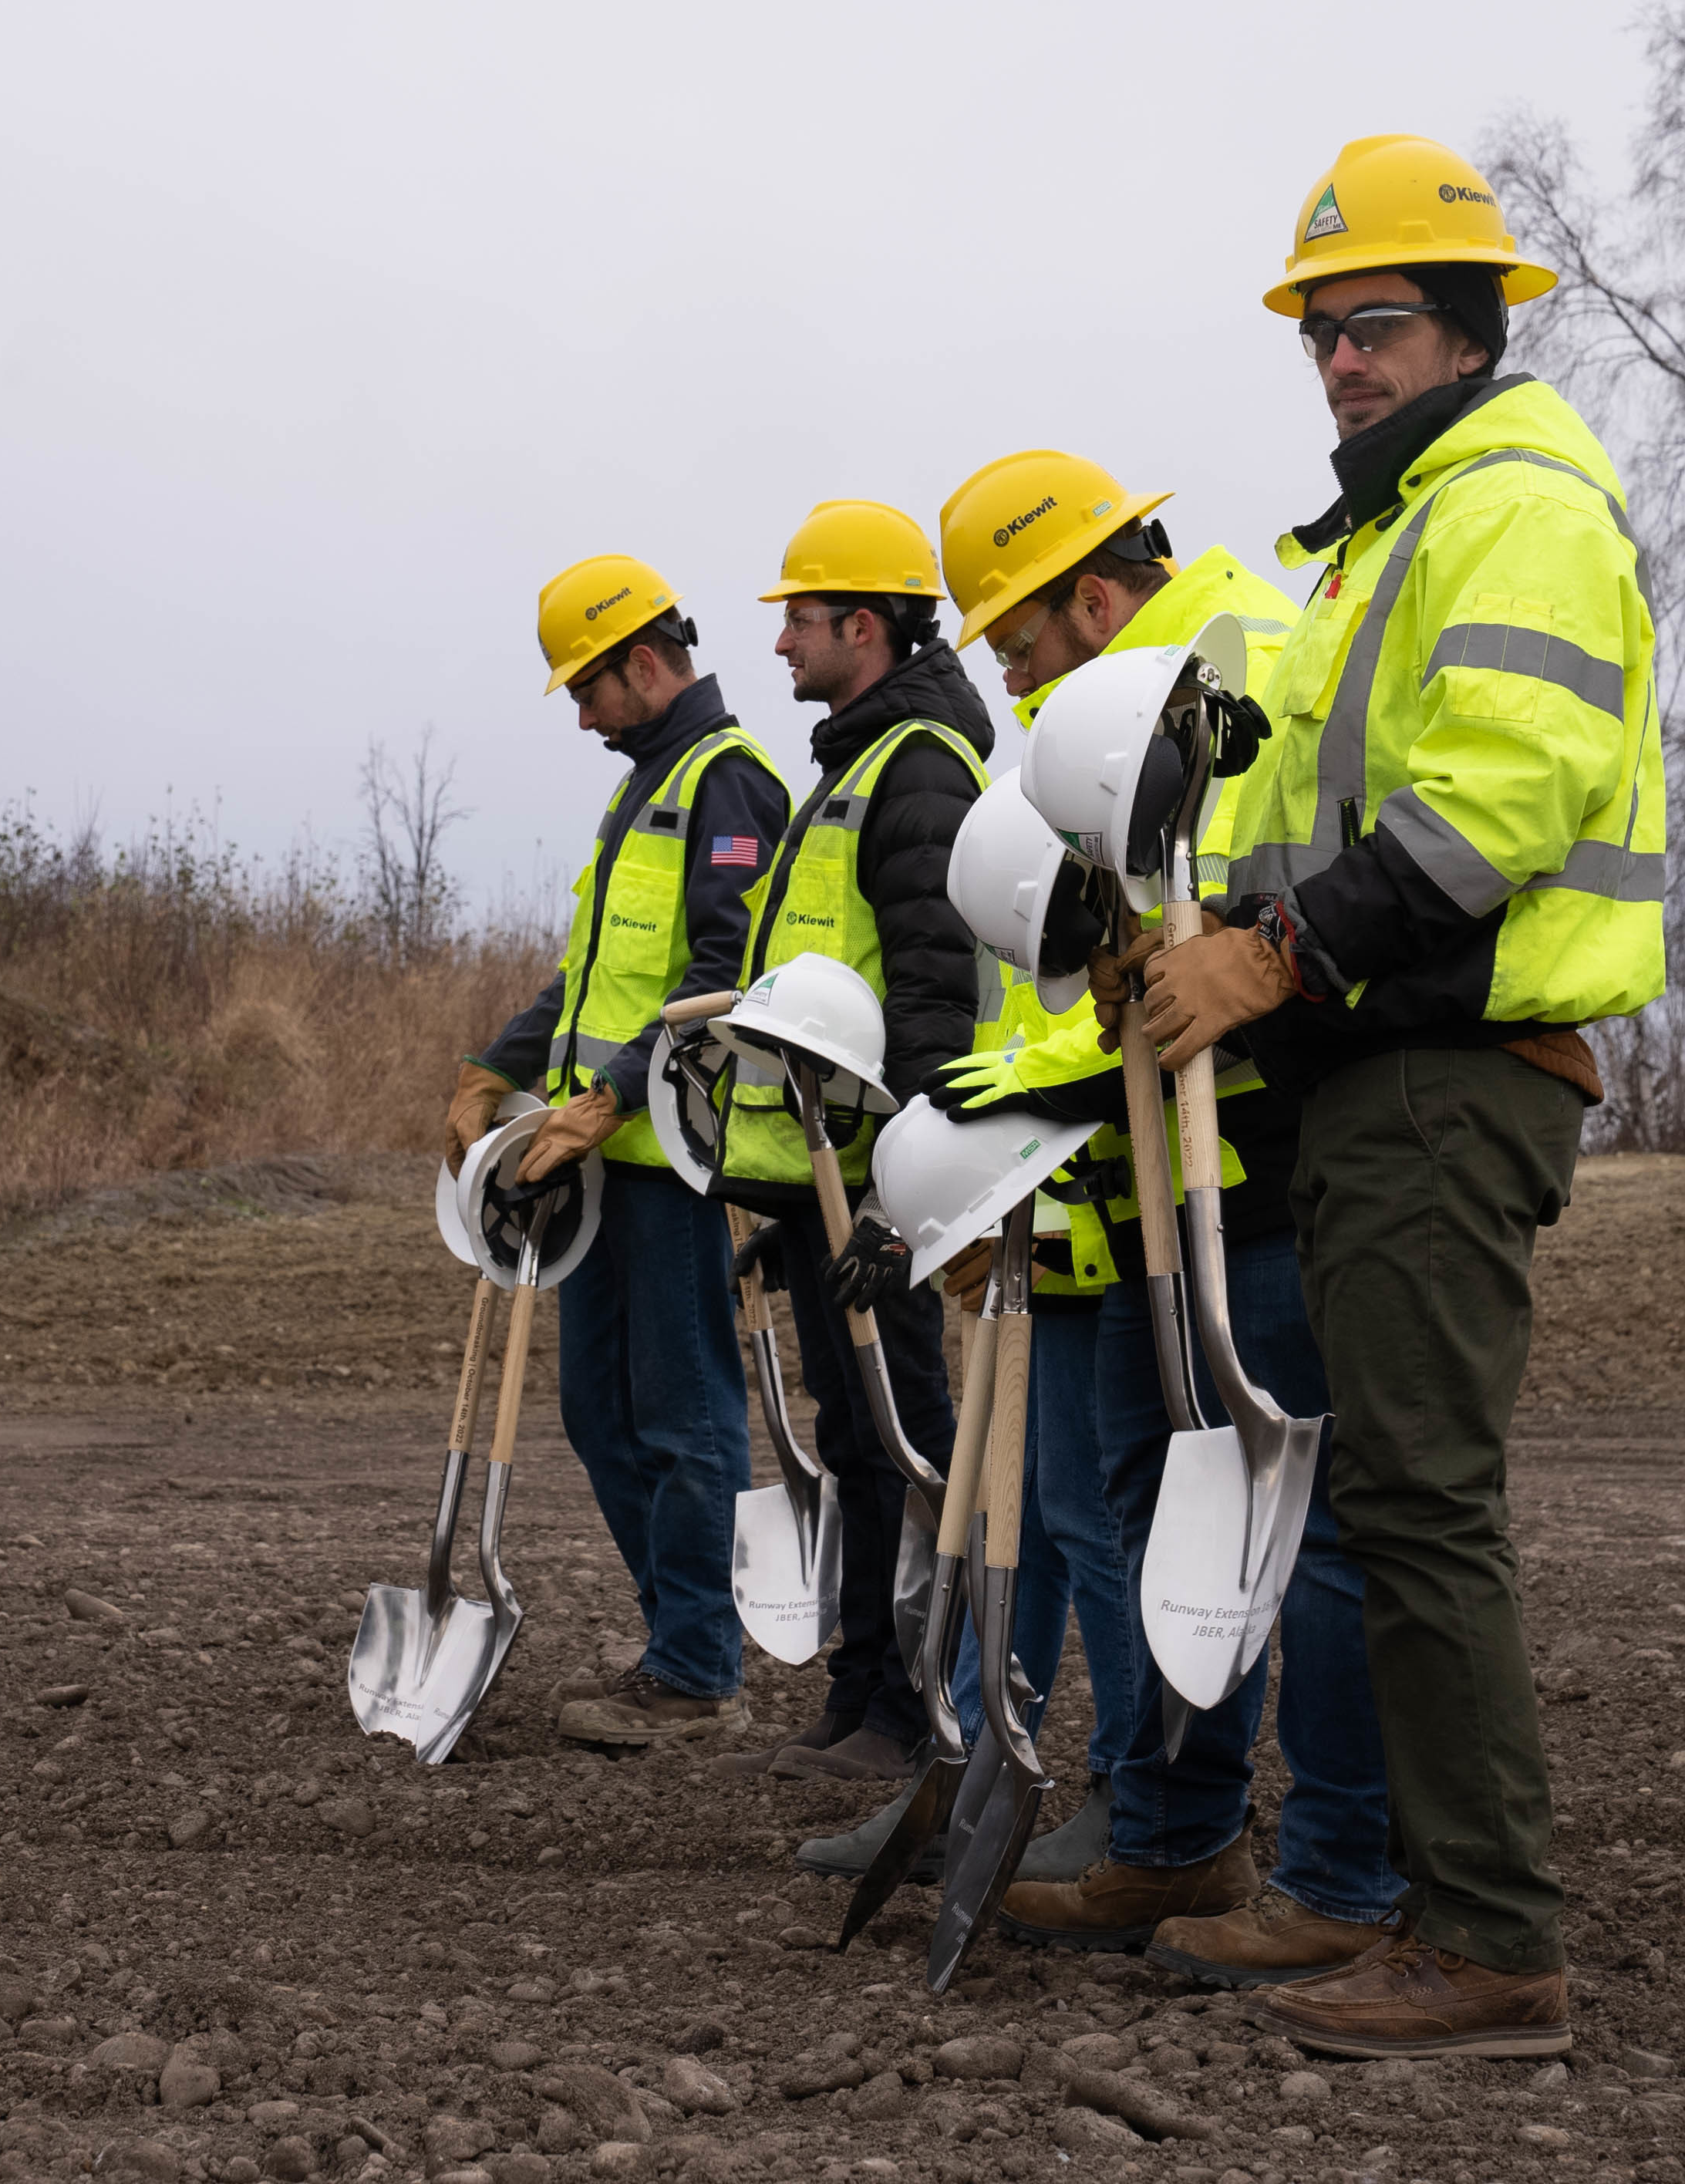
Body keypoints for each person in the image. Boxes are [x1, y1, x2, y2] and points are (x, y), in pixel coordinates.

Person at [1140, 135, 1669, 2057]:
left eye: (1373, 326)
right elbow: (1331, 821)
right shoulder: (1382, 544)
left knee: (1421, 1508)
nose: (1342, 361)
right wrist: (1211, 940)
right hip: (1382, 1074)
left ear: (1465, 332)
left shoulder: (1511, 507)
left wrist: (1273, 956)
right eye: (1320, 335)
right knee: (1390, 1498)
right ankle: (1397, 1908)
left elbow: (1501, 801)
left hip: (1453, 1074)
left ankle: (1492, 1948)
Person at [814, 451, 1400, 1980]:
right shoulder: (1097, 723)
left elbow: (1222, 948)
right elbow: (1085, 986)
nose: (1005, 679)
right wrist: (979, 1155)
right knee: (1141, 1521)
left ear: (1093, 596)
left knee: (1290, 1530)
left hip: (1246, 1168)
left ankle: (1321, 1862)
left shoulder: (1230, 681)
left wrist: (1007, 1114)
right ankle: (1169, 1835)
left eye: (1015, 641)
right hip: (1129, 1178)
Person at [448, 555, 792, 1748]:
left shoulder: (729, 784)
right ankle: (678, 1643)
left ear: (645, 665)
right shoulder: (644, 789)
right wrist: (493, 1066)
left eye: (589, 691)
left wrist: (613, 1097)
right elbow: (588, 981)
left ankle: (697, 1672)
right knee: (599, 1416)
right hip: (595, 1164)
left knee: (684, 1417)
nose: (585, 718)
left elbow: (727, 978)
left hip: (673, 1163)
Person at [703, 501, 992, 1785]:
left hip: (879, 1187)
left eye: (801, 620)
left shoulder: (916, 770)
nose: (781, 644)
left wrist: (903, 1201)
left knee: (901, 1440)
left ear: (863, 627)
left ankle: (915, 1710)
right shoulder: (857, 764)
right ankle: (864, 1688)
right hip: (827, 1189)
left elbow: (932, 999)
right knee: (858, 1441)